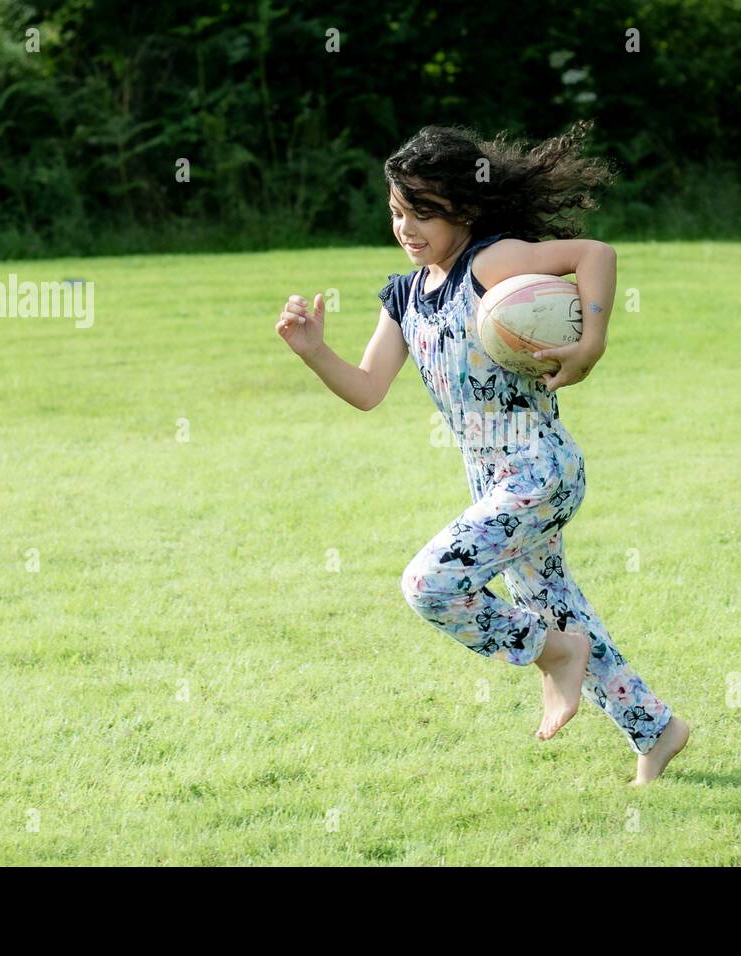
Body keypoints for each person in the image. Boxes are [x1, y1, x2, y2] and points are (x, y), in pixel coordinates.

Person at [275, 121, 688, 784]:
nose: (406, 228)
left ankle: (556, 657)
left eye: (423, 213)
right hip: (492, 484)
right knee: (561, 612)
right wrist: (315, 352)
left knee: (430, 585)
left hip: (540, 470)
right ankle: (657, 730)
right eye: (396, 212)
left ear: (463, 209)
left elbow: (595, 255)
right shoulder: (403, 297)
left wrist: (592, 345)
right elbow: (367, 389)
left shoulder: (490, 264)